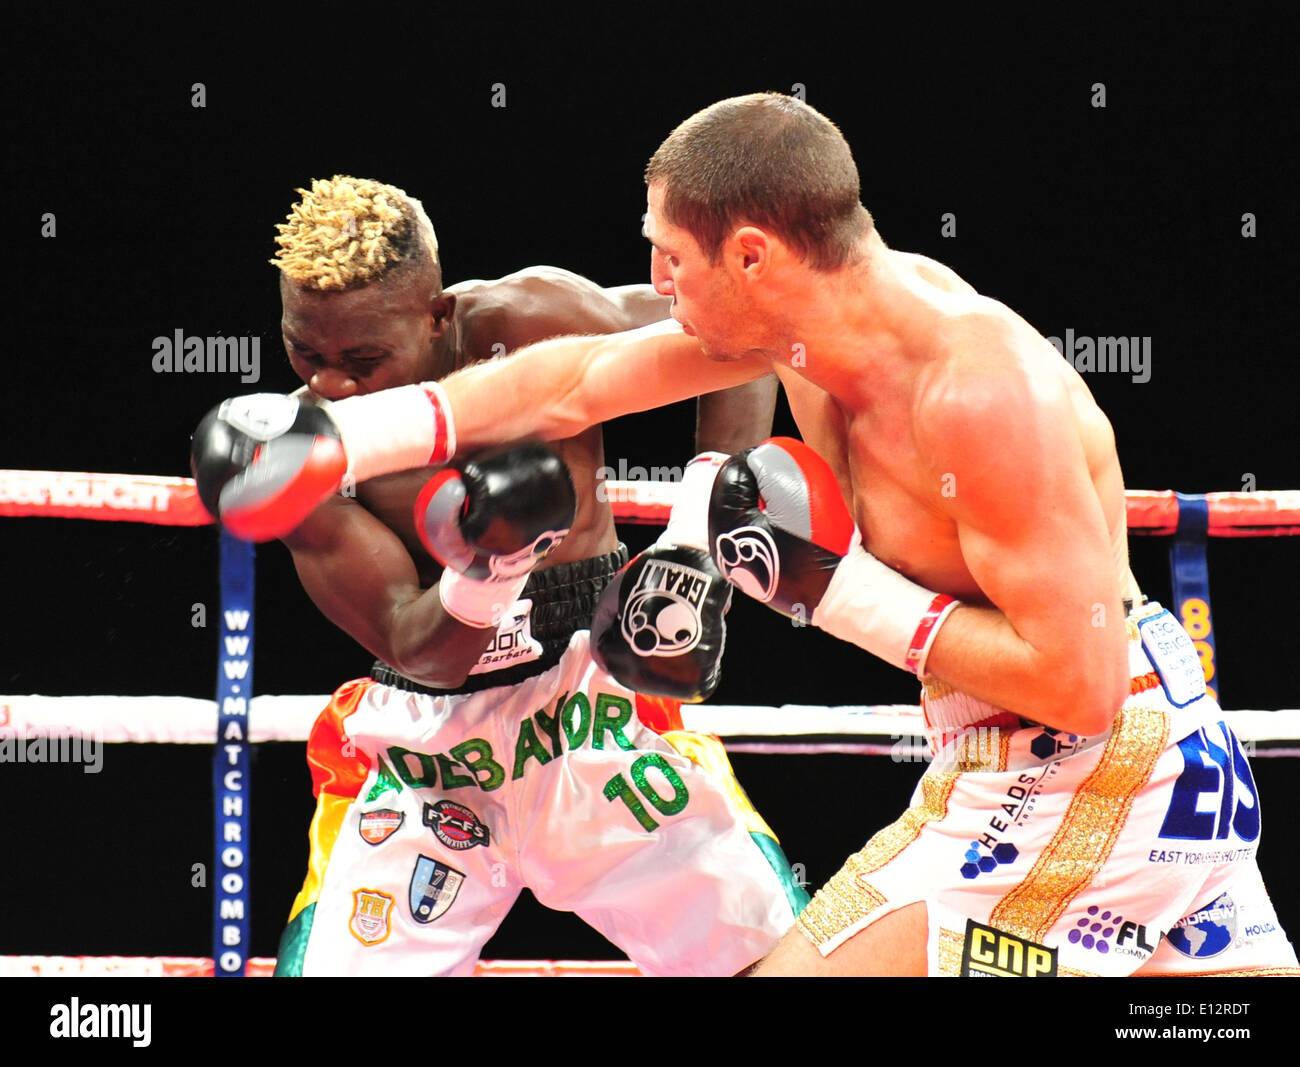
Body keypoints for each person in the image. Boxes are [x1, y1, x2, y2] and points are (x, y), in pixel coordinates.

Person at [195, 102, 1298, 977]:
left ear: (755, 256)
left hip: (1082, 771)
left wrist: (833, 590)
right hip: (1063, 758)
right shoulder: (805, 335)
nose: (656, 286)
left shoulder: (977, 394)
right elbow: (571, 382)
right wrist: (336, 439)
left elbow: (1079, 685)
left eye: (669, 256)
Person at [211, 175, 804, 977]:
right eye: (305, 353)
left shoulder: (531, 324)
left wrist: (695, 539)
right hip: (429, 759)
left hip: (599, 706)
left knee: (782, 964)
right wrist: (493, 563)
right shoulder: (297, 459)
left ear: (438, 316)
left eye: (363, 359)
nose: (333, 388)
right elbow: (417, 647)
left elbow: (742, 332)